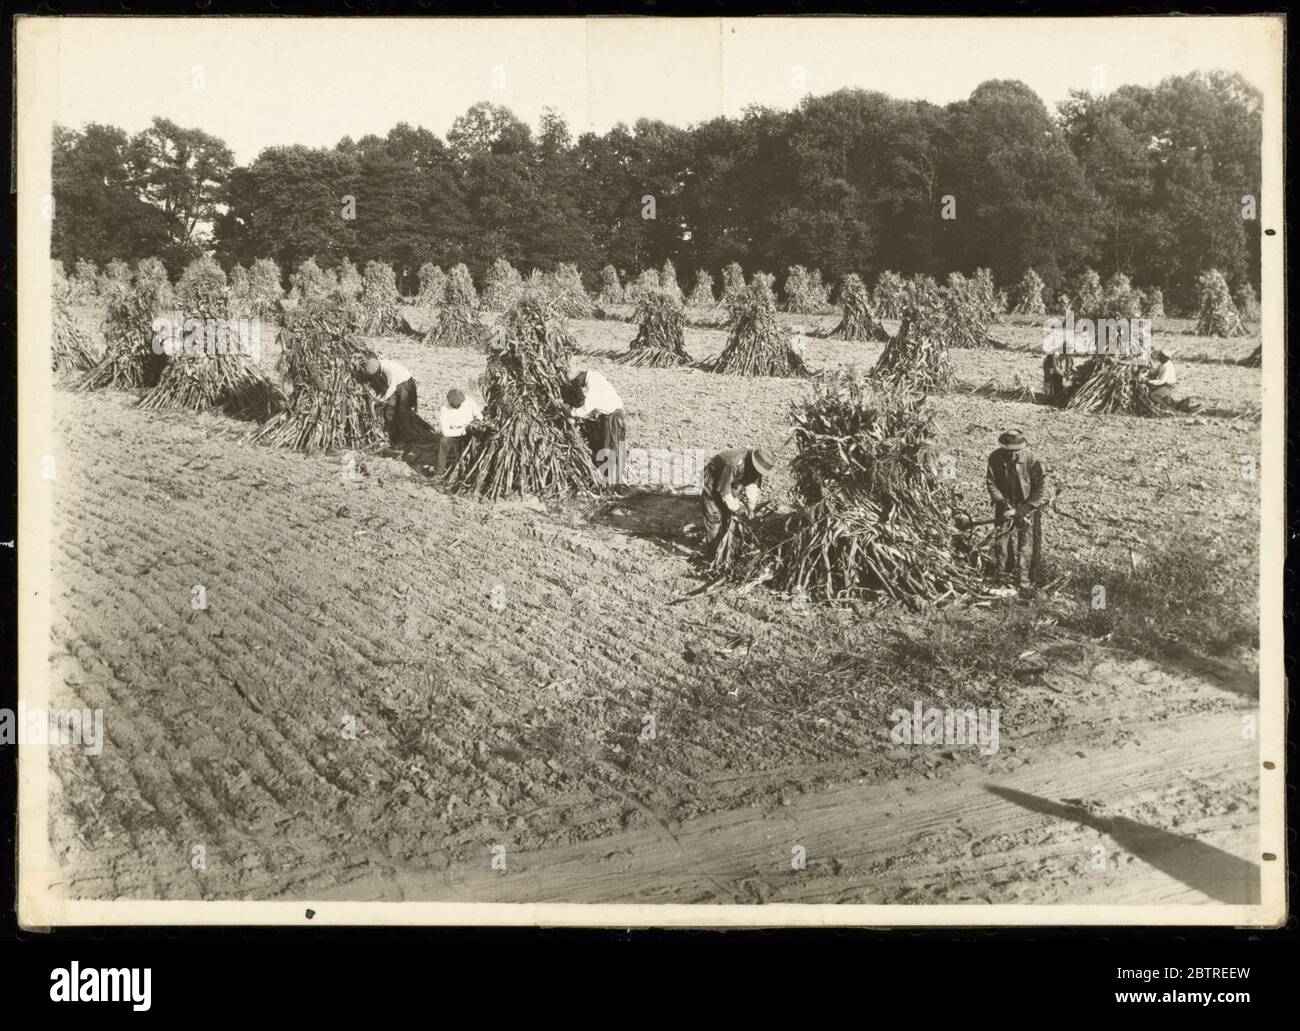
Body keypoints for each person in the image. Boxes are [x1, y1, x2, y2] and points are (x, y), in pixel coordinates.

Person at [985, 429, 1050, 589]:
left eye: (1015, 451)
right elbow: (991, 483)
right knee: (1002, 542)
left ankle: (1024, 581)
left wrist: (1022, 510)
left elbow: (1040, 488)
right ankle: (1003, 576)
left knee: (1026, 545)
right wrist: (1002, 503)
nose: (1011, 455)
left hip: (1027, 508)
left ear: (1021, 449)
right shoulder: (995, 458)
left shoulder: (1031, 460)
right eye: (1007, 451)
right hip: (1004, 506)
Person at [700, 448, 777, 559]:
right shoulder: (733, 462)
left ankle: (727, 549)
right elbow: (724, 492)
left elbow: (753, 485)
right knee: (715, 521)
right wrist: (737, 508)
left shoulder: (756, 467)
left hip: (730, 484)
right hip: (712, 484)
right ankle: (712, 557)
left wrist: (751, 508)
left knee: (728, 519)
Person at [566, 369, 626, 484]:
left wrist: (571, 412)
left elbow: (587, 407)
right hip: (614, 416)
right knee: (615, 448)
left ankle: (612, 482)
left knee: (609, 449)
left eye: (574, 383)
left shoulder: (593, 384)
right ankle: (615, 481)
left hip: (611, 419)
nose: (576, 387)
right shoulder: (594, 377)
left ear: (579, 378)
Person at [361, 356, 417, 447]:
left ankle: (403, 440)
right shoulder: (380, 363)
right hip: (396, 384)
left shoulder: (388, 371)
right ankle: (389, 435)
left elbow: (392, 388)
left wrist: (381, 400)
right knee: (389, 410)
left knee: (402, 413)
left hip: (405, 384)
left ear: (378, 370)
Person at [435, 388, 482, 476]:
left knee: (475, 445)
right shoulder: (444, 409)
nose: (459, 405)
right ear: (451, 403)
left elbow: (479, 414)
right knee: (444, 441)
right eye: (456, 404)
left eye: (460, 402)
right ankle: (439, 469)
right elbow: (446, 431)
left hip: (470, 429)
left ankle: (472, 468)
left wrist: (478, 421)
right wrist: (462, 431)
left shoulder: (469, 401)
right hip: (455, 432)